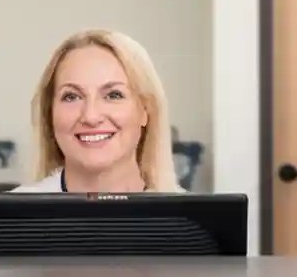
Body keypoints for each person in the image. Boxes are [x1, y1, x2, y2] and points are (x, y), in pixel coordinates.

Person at [11, 29, 182, 193]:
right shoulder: (8, 217)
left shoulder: (196, 217)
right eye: (72, 97)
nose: (90, 116)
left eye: (113, 95)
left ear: (146, 110)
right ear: (49, 113)